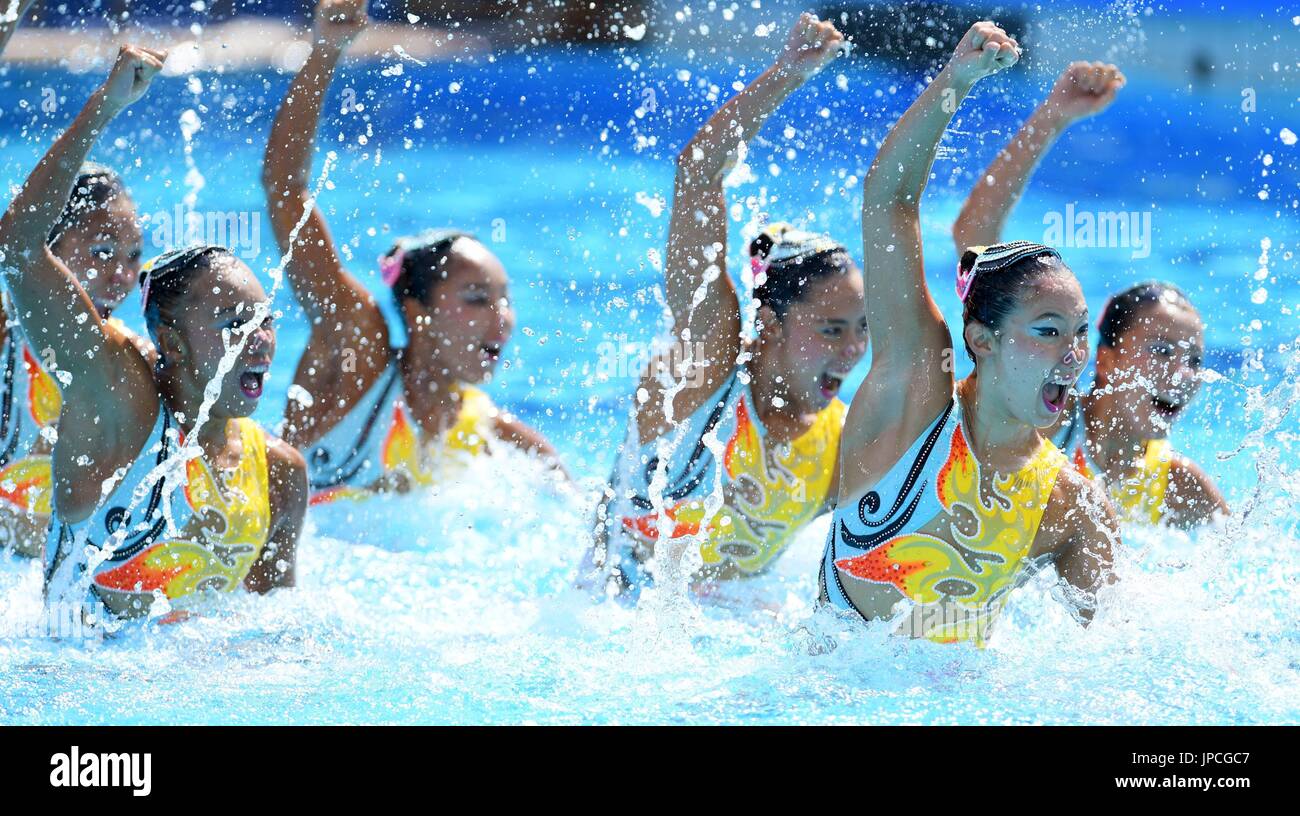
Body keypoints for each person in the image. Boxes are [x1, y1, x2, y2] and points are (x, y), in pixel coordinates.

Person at [820, 23, 1119, 645]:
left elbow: (1114, 671)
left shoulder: (1075, 507)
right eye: (1048, 331)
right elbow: (889, 199)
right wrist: (956, 82)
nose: (1073, 355)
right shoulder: (914, 401)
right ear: (982, 340)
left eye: (1080, 333)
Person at [0, 45, 306, 620]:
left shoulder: (282, 473)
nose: (260, 338)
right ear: (169, 341)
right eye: (235, 324)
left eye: (266, 319)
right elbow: (17, 247)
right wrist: (105, 106)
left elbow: (273, 634)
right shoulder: (120, 402)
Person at [584, 14, 868, 600]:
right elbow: (697, 172)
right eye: (833, 329)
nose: (853, 351)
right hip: (609, 632)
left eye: (863, 329)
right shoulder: (704, 373)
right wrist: (788, 74)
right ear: (769, 323)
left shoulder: (845, 441)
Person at [262, 0, 559, 506]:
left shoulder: (496, 438)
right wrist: (326, 51)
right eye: (476, 298)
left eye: (504, 299)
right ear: (417, 311)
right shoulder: (358, 361)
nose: (502, 318)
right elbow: (284, 187)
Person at [952, 62, 1227, 526]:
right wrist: (1052, 117)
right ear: (1106, 360)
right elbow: (973, 236)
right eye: (1162, 351)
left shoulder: (1181, 488)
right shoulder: (1041, 420)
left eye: (1195, 360)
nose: (1183, 373)